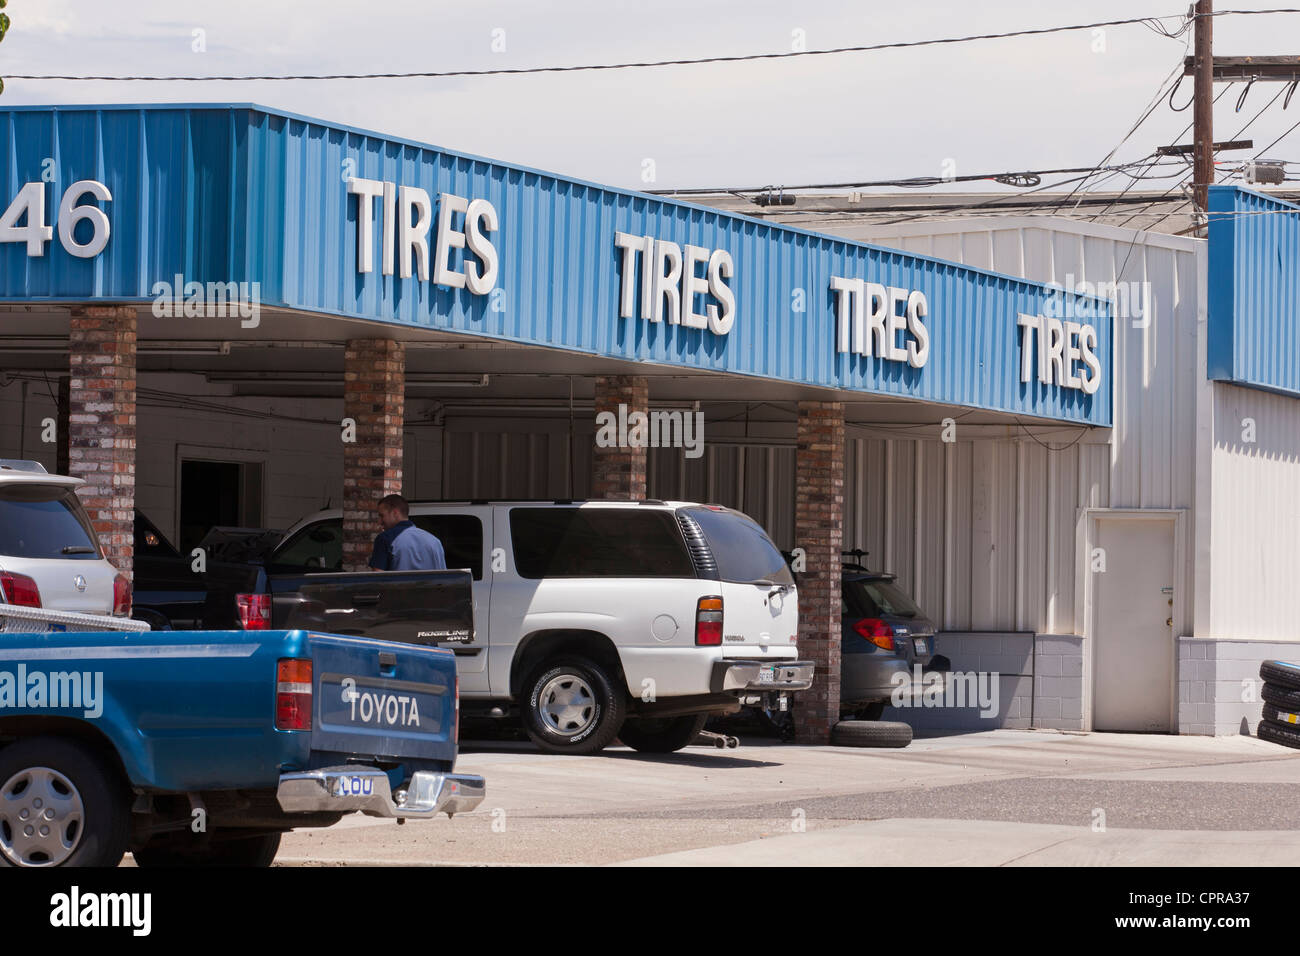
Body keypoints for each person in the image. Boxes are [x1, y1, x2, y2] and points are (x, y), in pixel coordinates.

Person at [369, 494, 446, 571]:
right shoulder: (435, 541)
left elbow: (377, 578)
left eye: (382, 516)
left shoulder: (385, 538)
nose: (379, 521)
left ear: (395, 513)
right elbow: (444, 578)